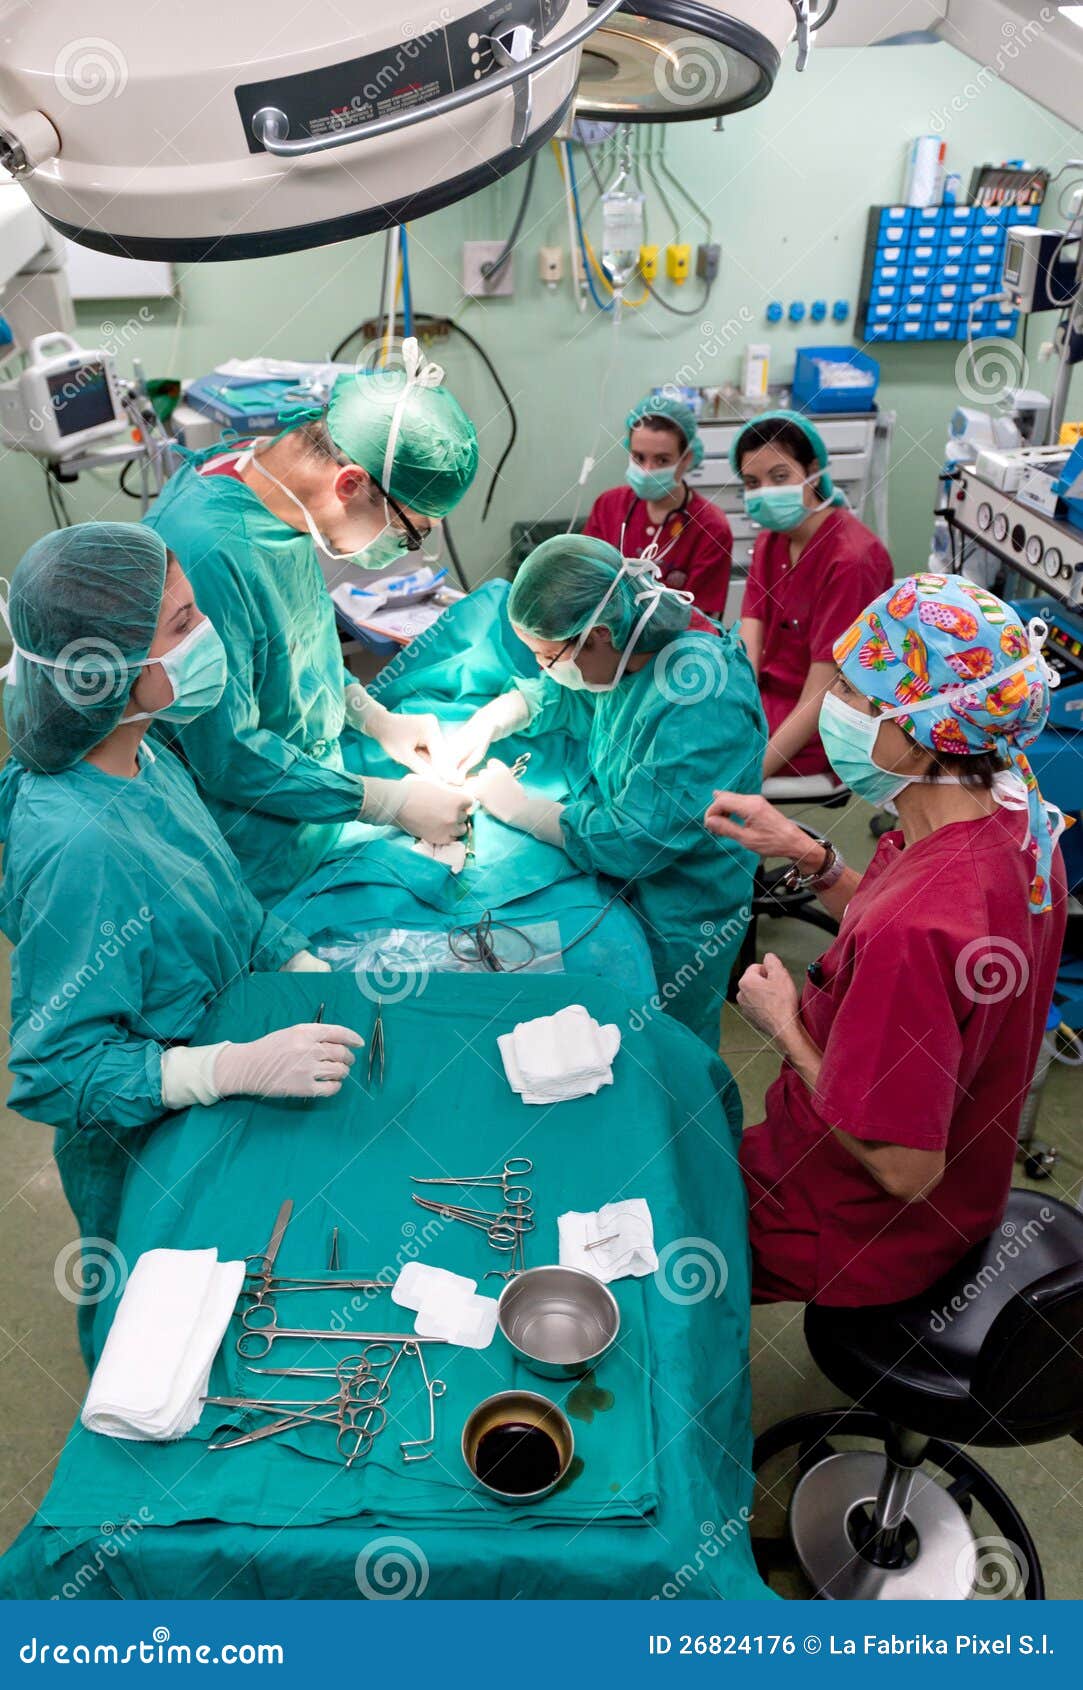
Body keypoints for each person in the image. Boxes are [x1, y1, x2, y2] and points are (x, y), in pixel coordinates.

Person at [0, 525, 365, 1365]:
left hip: (215, 1058)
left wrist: (296, 958)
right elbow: (56, 1068)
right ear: (100, 672)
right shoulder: (79, 844)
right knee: (150, 1338)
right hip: (141, 1139)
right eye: (182, 623)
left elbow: (219, 897)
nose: (207, 638)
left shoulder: (141, 752)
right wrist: (218, 1069)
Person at [705, 573, 1067, 1307]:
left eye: (852, 694)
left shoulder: (920, 924)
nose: (829, 709)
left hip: (856, 1228)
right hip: (966, 1199)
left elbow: (904, 1172)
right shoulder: (1020, 823)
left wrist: (783, 1026)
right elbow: (911, 929)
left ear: (916, 728)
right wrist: (812, 856)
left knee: (649, 1224)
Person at [144, 339, 478, 904]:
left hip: (311, 804)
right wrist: (386, 803)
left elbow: (295, 640)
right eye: (409, 531)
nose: (402, 548)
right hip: (248, 846)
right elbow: (228, 753)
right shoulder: (207, 549)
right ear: (349, 483)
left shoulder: (280, 494)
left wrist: (369, 715)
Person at [452, 535, 766, 1045]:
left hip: (682, 912)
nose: (544, 669)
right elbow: (588, 699)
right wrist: (503, 714)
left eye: (547, 657)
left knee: (665, 1049)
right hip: (634, 890)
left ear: (597, 634)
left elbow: (641, 838)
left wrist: (526, 811)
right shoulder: (629, 647)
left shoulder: (701, 698)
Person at [734, 410, 893, 783]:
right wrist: (729, 707)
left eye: (780, 477)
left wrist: (748, 777)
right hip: (766, 704)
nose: (766, 492)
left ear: (813, 472)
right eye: (752, 482)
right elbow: (748, 646)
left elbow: (822, 694)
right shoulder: (771, 541)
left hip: (823, 725)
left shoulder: (851, 560)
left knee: (694, 771)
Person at [584, 393, 733, 619]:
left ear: (686, 459)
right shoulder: (608, 506)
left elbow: (700, 621)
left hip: (675, 649)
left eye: (662, 460)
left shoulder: (711, 527)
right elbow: (589, 582)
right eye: (638, 458)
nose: (647, 470)